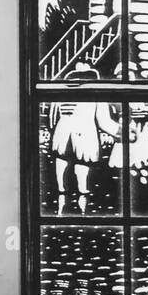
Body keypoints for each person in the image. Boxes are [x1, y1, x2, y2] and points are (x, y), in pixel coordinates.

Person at [49, 65, 123, 214]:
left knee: (62, 173)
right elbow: (104, 122)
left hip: (62, 135)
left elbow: (52, 119)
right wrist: (122, 132)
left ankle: (60, 211)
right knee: (82, 175)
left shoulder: (59, 96)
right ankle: (83, 211)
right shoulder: (95, 96)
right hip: (84, 136)